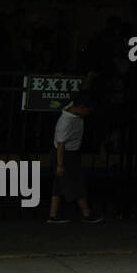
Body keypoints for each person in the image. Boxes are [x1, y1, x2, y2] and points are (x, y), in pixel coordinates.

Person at [47, 92, 102, 224]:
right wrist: (60, 164)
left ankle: (53, 215)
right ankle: (86, 213)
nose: (88, 113)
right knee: (76, 183)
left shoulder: (72, 110)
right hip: (65, 154)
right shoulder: (66, 122)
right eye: (87, 110)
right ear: (81, 108)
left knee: (59, 185)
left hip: (66, 153)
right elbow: (61, 145)